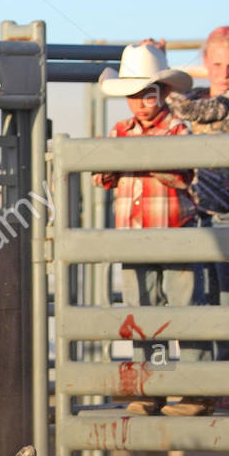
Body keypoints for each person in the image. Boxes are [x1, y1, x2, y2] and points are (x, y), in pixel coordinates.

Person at [95, 42, 214, 417]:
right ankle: (151, 388)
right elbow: (102, 175)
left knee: (184, 307)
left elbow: (183, 174)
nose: (139, 102)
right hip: (135, 238)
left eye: (146, 94)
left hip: (174, 233)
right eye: (132, 95)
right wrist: (136, 161)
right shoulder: (120, 131)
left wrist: (131, 160)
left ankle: (195, 390)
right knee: (141, 309)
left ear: (162, 93)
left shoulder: (178, 129)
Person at [165, 26, 229, 399]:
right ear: (206, 62)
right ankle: (214, 384)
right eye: (219, 64)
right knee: (205, 299)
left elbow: (192, 109)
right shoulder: (199, 94)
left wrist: (162, 84)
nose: (225, 74)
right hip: (199, 214)